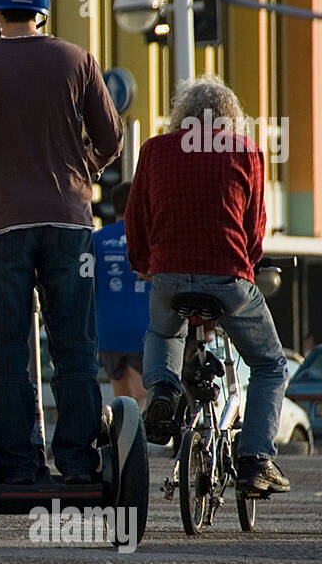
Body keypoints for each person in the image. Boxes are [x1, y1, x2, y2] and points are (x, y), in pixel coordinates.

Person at [0, 0, 123, 485]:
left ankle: (18, 465)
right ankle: (79, 463)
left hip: (4, 226)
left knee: (6, 349)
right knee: (75, 347)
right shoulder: (77, 61)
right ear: (42, 7)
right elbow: (111, 140)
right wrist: (82, 169)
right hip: (69, 223)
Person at [124, 75, 289, 497]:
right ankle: (255, 461)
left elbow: (136, 218)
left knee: (164, 330)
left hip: (168, 276)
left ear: (182, 115)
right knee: (270, 364)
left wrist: (145, 265)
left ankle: (162, 390)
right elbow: (255, 228)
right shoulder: (245, 151)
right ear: (231, 117)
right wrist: (247, 264)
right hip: (228, 278)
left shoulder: (154, 151)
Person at [93, 182, 150, 406]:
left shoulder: (97, 240)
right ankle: (136, 439)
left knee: (123, 398)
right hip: (143, 329)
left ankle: (124, 438)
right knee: (141, 398)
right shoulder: (148, 240)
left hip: (108, 331)